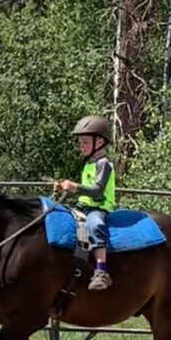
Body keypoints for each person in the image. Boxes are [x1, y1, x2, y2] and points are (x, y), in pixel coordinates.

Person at [53, 115, 116, 291]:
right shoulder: (89, 163)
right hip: (83, 206)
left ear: (100, 142)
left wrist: (74, 187)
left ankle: (101, 272)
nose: (82, 147)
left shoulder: (104, 164)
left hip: (98, 208)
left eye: (86, 142)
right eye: (80, 143)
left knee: (95, 225)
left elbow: (97, 190)